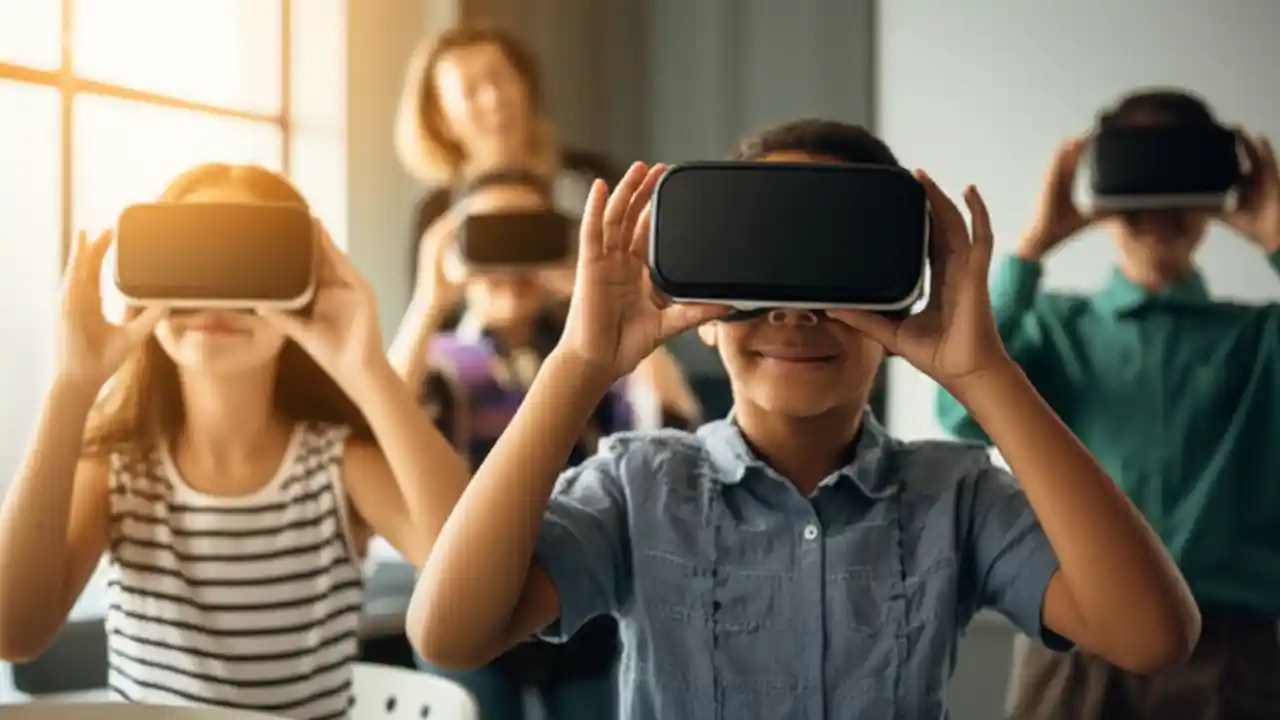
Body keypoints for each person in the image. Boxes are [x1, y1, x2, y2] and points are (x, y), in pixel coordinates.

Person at [405, 119, 1201, 719]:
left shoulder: (953, 495)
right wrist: (579, 363)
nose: (796, 308)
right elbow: (450, 634)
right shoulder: (639, 485)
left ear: (898, 296)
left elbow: (1151, 635)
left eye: (834, 267)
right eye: (762, 265)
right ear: (706, 311)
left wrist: (985, 374)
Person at [0, 165, 469, 719]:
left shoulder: (339, 466)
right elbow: (13, 633)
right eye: (192, 262)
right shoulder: (118, 469)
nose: (215, 300)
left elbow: (474, 578)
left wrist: (365, 368)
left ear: (304, 289)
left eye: (248, 266)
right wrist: (72, 386)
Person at [936, 89, 1280, 719]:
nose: (1159, 212)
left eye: (1180, 184)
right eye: (1141, 180)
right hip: (1076, 632)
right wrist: (1032, 248)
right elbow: (958, 409)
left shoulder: (1259, 339)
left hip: (1232, 642)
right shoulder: (1053, 329)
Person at [389, 174, 701, 719]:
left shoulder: (592, 354)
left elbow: (676, 424)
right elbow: (379, 425)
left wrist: (596, 296)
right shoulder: (439, 359)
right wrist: (429, 299)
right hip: (464, 590)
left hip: (577, 599)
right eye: (492, 236)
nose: (512, 259)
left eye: (531, 235)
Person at [392, 23, 699, 427]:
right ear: (442, 117)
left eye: (501, 79)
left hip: (592, 352)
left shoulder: (589, 181)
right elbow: (430, 335)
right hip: (475, 375)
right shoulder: (437, 213)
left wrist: (590, 295)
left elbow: (673, 413)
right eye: (470, 90)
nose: (494, 99)